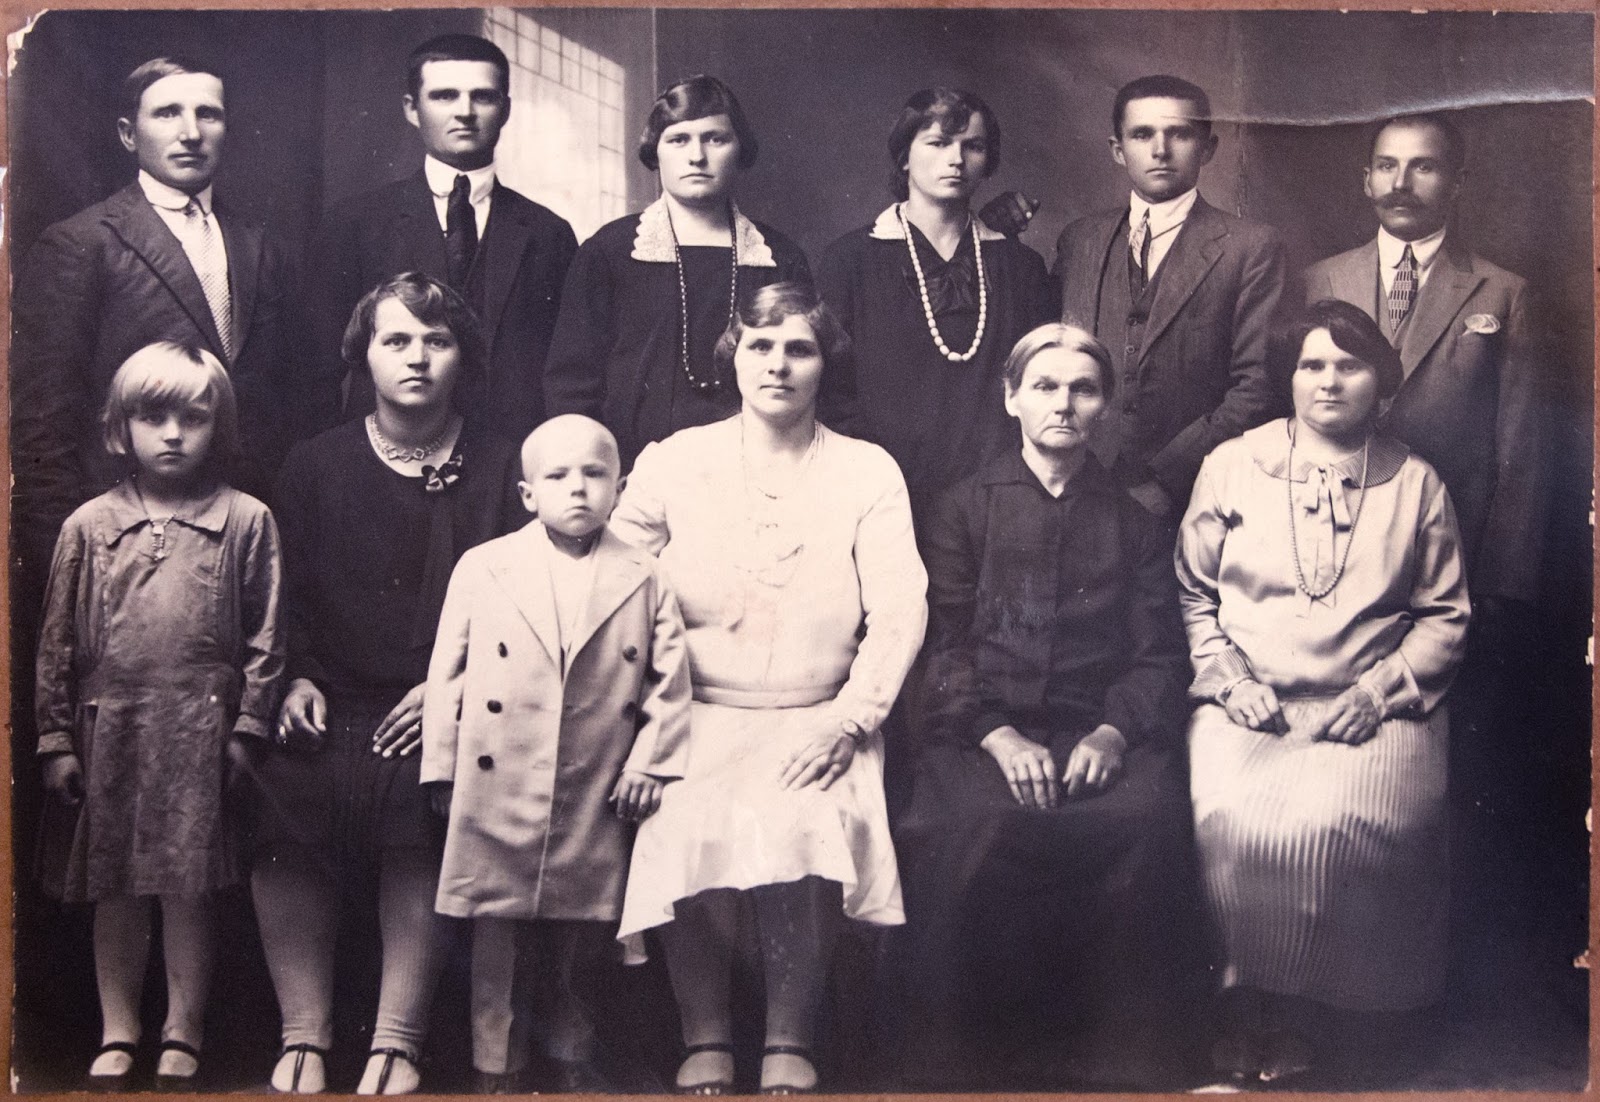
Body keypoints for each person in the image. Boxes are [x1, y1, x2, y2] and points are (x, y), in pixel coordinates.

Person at [609, 283, 927, 1094]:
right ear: (733, 357)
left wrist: (851, 721)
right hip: (693, 715)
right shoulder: (675, 461)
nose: (778, 365)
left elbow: (899, 609)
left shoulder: (866, 471)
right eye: (760, 346)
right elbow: (611, 582)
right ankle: (704, 1031)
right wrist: (651, 725)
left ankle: (790, 1032)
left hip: (819, 715)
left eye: (799, 349)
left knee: (808, 813)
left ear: (826, 363)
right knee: (685, 816)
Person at [893, 323, 1197, 1091]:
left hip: (1097, 727)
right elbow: (945, 643)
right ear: (1011, 398)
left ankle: (1117, 1066)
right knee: (974, 827)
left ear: (1105, 408)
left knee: (1142, 823)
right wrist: (996, 733)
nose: (1063, 404)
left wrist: (1113, 731)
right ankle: (972, 1065)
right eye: (1045, 387)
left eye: (1084, 389)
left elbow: (1158, 650)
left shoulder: (1135, 520)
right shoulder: (961, 508)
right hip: (977, 730)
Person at [1175, 300, 1470, 1086]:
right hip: (1247, 702)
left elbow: (1445, 617)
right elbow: (1191, 594)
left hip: (1374, 708)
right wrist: (1230, 678)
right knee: (1229, 820)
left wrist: (1380, 692)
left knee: (1346, 819)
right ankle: (1245, 1013)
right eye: (1311, 365)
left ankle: (1323, 1023)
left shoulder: (1417, 483)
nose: (1329, 382)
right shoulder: (1233, 463)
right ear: (1288, 378)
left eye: (1350, 365)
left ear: (1382, 382)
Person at [250, 273, 524, 1095]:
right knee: (281, 786)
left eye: (436, 342)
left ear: (463, 358)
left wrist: (455, 690)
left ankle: (396, 1039)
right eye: (395, 340)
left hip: (448, 703)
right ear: (363, 354)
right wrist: (295, 675)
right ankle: (304, 1030)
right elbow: (281, 587)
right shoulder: (317, 462)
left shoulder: (504, 463)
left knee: (425, 796)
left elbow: (530, 602)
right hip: (330, 694)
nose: (416, 358)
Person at [34, 342, 284, 1089]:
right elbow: (54, 644)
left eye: (193, 417)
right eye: (153, 416)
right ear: (120, 428)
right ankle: (119, 1027)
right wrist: (54, 738)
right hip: (109, 730)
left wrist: (248, 729)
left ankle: (184, 1026)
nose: (173, 433)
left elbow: (268, 640)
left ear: (221, 426)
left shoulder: (246, 520)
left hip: (200, 731)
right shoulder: (87, 526)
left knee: (188, 884)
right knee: (116, 885)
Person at [420, 415, 693, 1093]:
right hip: (497, 782)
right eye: (558, 476)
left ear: (620, 486)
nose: (578, 490)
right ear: (526, 493)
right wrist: (442, 766)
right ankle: (496, 1065)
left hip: (592, 781)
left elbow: (670, 684)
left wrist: (647, 762)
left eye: (595, 474)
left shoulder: (646, 576)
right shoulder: (485, 567)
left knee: (580, 939)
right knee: (499, 938)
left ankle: (572, 1058)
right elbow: (446, 676)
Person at [11, 55, 295, 588]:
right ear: (127, 133)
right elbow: (41, 434)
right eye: (167, 113)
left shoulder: (259, 244)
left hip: (238, 537)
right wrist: (71, 572)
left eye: (207, 114)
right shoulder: (81, 244)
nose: (191, 133)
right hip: (124, 547)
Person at [1301, 113, 1547, 607]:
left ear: (1457, 183)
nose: (1401, 183)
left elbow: (1521, 455)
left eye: (1423, 168)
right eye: (1387, 166)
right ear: (1367, 180)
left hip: (1453, 544)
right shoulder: (1318, 280)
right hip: (1333, 541)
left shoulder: (1503, 292)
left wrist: (1502, 584)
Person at [307, 34, 578, 440]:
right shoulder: (354, 223)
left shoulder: (548, 233)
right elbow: (316, 369)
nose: (465, 112)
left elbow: (565, 372)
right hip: (385, 459)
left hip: (508, 462)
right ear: (412, 109)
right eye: (445, 96)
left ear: (505, 110)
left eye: (483, 97)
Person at [543, 75, 813, 469]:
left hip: (753, 470)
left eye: (715, 139)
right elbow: (571, 384)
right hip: (629, 474)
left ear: (740, 151)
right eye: (679, 139)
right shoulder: (610, 251)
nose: (697, 156)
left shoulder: (778, 257)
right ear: (657, 151)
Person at [1051, 75, 1284, 520]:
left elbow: (1257, 386)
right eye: (1142, 134)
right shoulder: (1079, 239)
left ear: (1208, 148)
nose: (1161, 150)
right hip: (1080, 482)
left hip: (1191, 491)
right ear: (1118, 150)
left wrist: (1165, 480)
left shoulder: (1251, 246)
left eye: (1179, 133)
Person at [819, 88, 1054, 529]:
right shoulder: (849, 260)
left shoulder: (1020, 267)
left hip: (997, 500)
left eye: (973, 146)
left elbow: (1036, 386)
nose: (956, 159)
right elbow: (832, 391)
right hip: (881, 494)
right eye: (938, 143)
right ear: (904, 157)